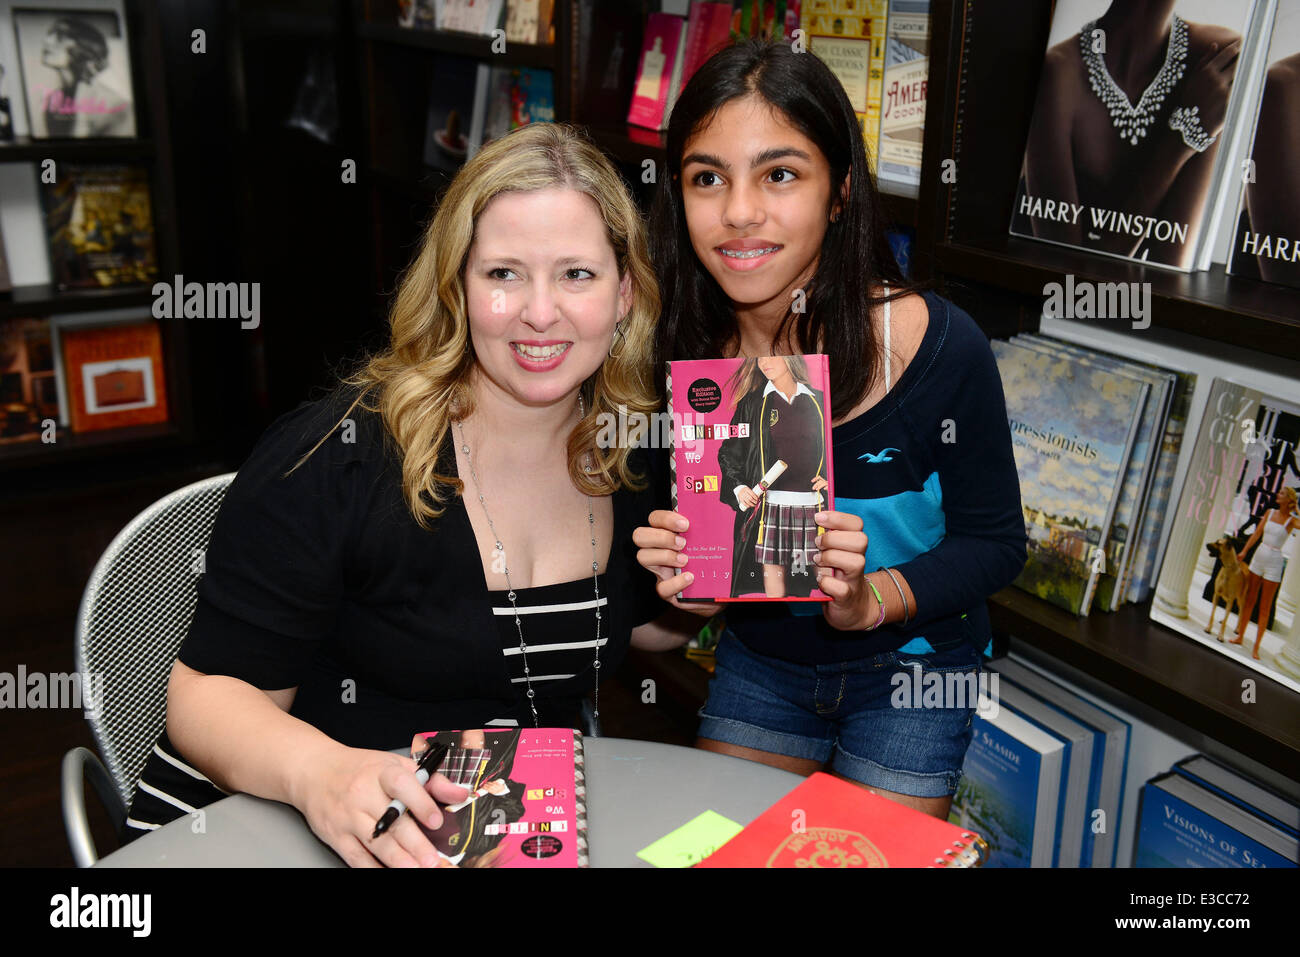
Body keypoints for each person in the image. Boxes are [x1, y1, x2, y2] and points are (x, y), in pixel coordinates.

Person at [123, 122, 688, 867]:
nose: (541, 312)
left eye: (577, 274)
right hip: (271, 824)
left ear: (626, 294)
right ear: (455, 288)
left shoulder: (632, 447)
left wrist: (691, 600)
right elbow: (204, 699)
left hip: (475, 830)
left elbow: (638, 627)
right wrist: (321, 773)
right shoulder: (338, 454)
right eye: (504, 274)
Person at [634, 40, 1028, 820]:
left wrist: (868, 599)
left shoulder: (937, 346)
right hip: (761, 660)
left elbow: (995, 543)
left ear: (841, 191)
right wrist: (689, 596)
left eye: (780, 174)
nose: (740, 211)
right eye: (707, 178)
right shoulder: (679, 358)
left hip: (911, 672)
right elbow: (664, 613)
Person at [1020, 0, 1240, 269]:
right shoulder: (1058, 71)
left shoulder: (1218, 59)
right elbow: (1069, 280)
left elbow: (1168, 270)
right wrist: (1179, 142)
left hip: (1136, 305)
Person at [717, 356, 828, 597]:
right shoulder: (753, 403)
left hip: (814, 505)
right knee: (774, 592)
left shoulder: (819, 399)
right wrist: (739, 488)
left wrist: (828, 478)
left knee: (825, 583)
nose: (764, 362)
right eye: (760, 357)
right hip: (771, 506)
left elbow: (833, 448)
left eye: (772, 355)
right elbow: (729, 451)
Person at [1232, 486, 1299, 659]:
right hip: (1259, 556)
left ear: (1289, 500)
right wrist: (1245, 551)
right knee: (1249, 599)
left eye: (1283, 494)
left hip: (1275, 561)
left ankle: (1256, 647)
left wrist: (1297, 508)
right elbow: (1256, 534)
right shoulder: (1269, 513)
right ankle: (1240, 636)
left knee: (1264, 607)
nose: (1278, 495)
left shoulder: (1291, 520)